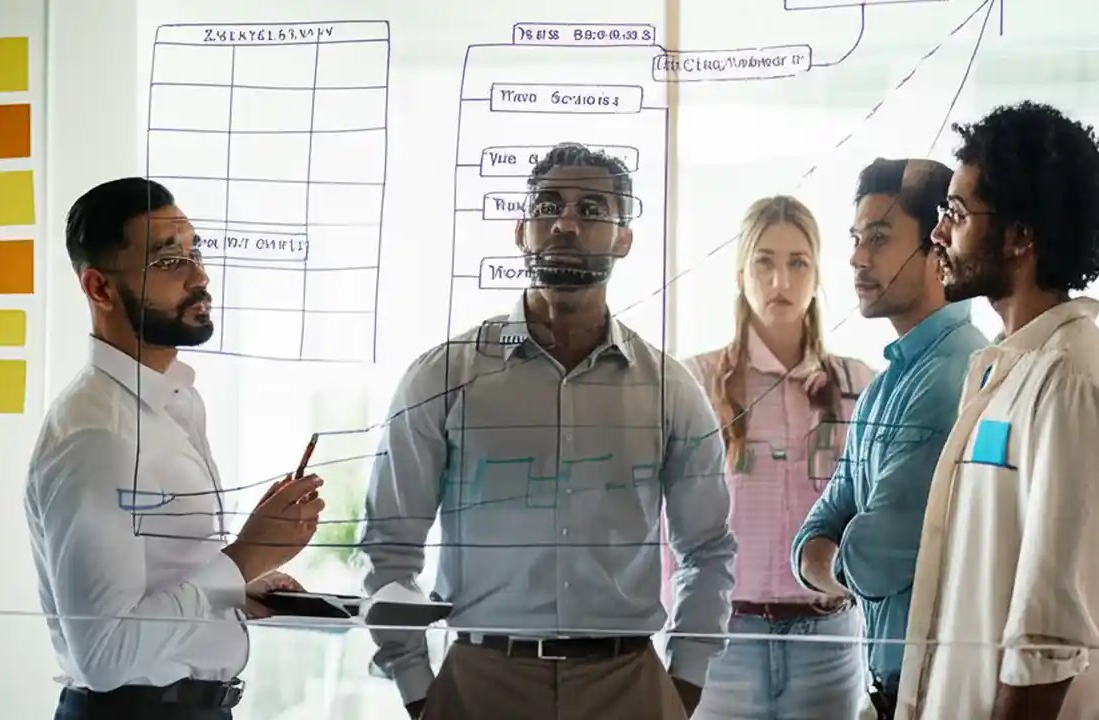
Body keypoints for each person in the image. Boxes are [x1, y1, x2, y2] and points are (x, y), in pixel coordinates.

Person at [359, 142, 736, 720]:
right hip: (481, 683)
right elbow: (389, 547)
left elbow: (707, 550)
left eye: (591, 210)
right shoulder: (444, 376)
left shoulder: (670, 388)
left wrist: (685, 682)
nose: (565, 223)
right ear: (522, 230)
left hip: (628, 685)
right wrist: (415, 684)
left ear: (624, 238)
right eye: (548, 206)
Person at [26, 177, 326, 720]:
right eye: (168, 263)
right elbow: (104, 656)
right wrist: (244, 559)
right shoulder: (97, 435)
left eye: (196, 252)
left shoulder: (177, 405)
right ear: (100, 289)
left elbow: (155, 587)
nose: (200, 276)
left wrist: (238, 587)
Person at [896, 102, 1099, 719]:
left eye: (957, 215)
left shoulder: (1073, 380)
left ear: (1020, 236)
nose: (938, 234)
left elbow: (1049, 641)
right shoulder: (1010, 368)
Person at [790, 158, 988, 719]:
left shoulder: (955, 373)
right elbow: (810, 537)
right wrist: (841, 555)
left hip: (940, 694)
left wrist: (837, 560)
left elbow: (877, 558)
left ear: (937, 247)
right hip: (889, 691)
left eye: (877, 238)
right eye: (855, 238)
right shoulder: (887, 385)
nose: (855, 257)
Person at [670, 195, 874, 719]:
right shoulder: (693, 381)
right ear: (741, 273)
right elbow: (667, 519)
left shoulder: (859, 385)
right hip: (723, 643)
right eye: (764, 262)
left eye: (797, 263)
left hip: (828, 638)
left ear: (817, 275)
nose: (780, 281)